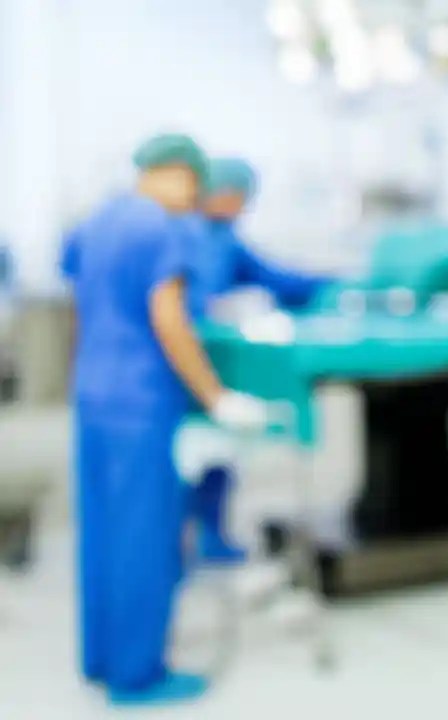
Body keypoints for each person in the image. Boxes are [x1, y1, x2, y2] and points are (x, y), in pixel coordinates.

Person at [61, 134, 269, 706]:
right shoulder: (161, 228)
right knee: (145, 536)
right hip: (142, 404)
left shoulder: (96, 222)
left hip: (93, 394)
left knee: (102, 530)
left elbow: (83, 313)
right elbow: (169, 320)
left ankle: (102, 658)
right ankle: (138, 677)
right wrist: (217, 396)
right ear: (179, 173)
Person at [183, 157, 331, 564]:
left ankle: (208, 536)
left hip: (212, 363)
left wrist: (332, 283)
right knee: (188, 458)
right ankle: (181, 542)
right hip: (184, 366)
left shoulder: (223, 238)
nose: (239, 205)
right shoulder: (186, 236)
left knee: (217, 450)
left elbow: (276, 280)